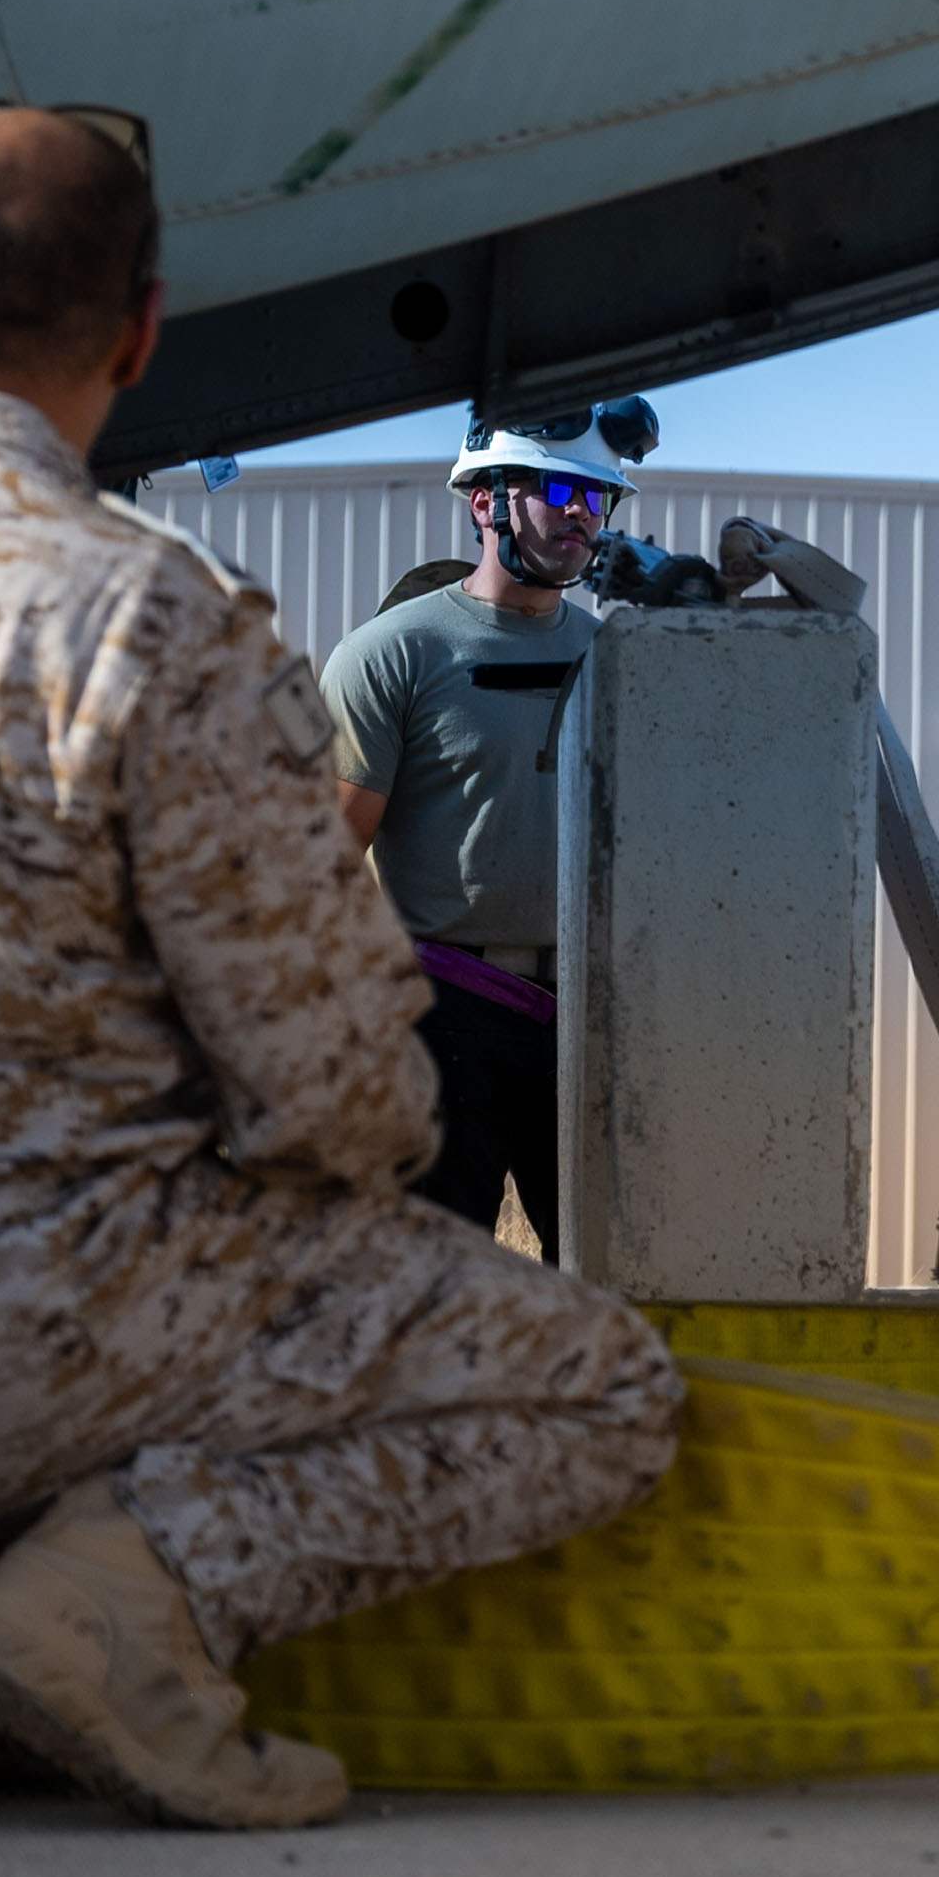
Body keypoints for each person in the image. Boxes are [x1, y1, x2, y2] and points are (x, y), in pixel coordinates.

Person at [0, 102, 678, 1828]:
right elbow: (336, 1090)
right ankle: (106, 1615)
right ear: (139, 331)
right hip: (15, 1324)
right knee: (600, 1379)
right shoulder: (144, 616)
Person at [316, 405, 654, 1250]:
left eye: (600, 498)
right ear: (486, 503)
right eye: (565, 490)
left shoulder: (619, 656)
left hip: (587, 1018)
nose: (584, 514)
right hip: (442, 1018)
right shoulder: (395, 655)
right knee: (424, 1289)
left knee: (611, 1287)